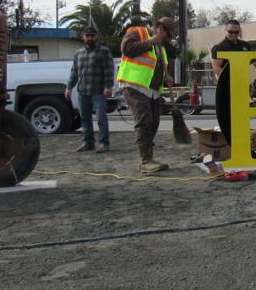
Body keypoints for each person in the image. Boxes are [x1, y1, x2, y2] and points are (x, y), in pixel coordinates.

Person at [116, 15, 175, 174]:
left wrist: (166, 77)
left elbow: (155, 66)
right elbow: (127, 49)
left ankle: (149, 158)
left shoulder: (160, 48)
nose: (167, 40)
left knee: (153, 122)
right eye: (167, 36)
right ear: (160, 28)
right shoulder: (137, 32)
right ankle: (145, 161)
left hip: (152, 90)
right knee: (144, 120)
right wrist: (151, 41)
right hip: (134, 85)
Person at [64, 26, 113, 153]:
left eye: (92, 35)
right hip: (83, 92)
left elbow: (109, 70)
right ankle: (88, 142)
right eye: (87, 35)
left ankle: (104, 143)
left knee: (101, 117)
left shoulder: (104, 51)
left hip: (98, 91)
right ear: (83, 37)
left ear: (96, 37)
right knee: (84, 118)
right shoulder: (78, 53)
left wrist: (108, 86)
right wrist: (69, 87)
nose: (89, 38)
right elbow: (74, 72)